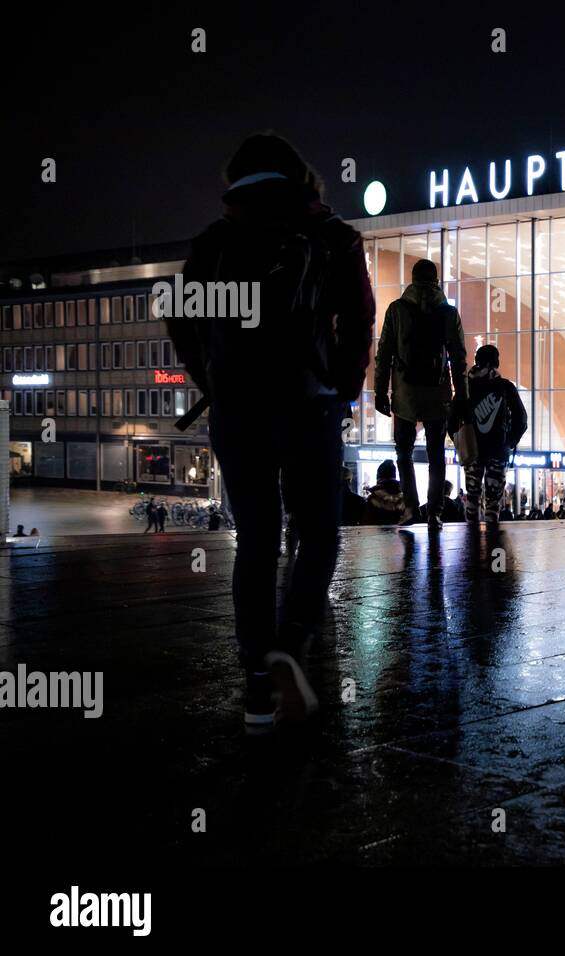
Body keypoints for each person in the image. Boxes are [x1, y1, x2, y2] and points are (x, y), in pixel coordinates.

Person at [168, 131, 374, 732]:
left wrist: (208, 372)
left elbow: (181, 314)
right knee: (318, 533)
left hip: (238, 410)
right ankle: (291, 642)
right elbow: (359, 319)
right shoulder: (334, 236)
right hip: (308, 405)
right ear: (300, 177)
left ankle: (257, 684)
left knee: (255, 542)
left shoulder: (216, 241)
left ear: (238, 180)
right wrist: (342, 388)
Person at [374, 258, 468, 529]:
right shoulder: (447, 312)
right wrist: (460, 395)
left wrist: (381, 391)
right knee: (436, 454)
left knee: (403, 452)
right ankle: (434, 513)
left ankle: (410, 508)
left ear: (413, 280)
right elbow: (458, 357)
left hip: (404, 394)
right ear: (436, 280)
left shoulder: (396, 310)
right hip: (437, 394)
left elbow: (384, 355)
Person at [463, 344, 528, 527]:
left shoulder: (466, 387)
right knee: (493, 501)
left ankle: (471, 538)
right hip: (498, 450)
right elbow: (521, 418)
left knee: (472, 496)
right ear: (495, 361)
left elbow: (452, 417)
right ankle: (493, 544)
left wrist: (461, 441)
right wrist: (510, 441)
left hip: (472, 450)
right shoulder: (505, 387)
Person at [362, 460, 405, 524]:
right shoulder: (405, 497)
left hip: (377, 533)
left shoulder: (373, 498)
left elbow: (367, 523)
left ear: (379, 477)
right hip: (401, 533)